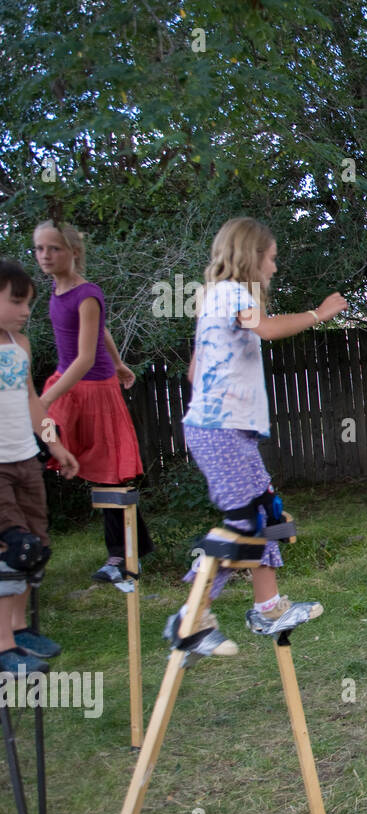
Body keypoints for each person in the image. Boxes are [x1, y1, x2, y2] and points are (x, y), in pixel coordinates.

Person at [179, 217, 348, 654]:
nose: (273, 268)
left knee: (267, 518)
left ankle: (268, 604)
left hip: (220, 430)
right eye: (271, 259)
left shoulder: (212, 300)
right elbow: (267, 330)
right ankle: (192, 616)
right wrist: (320, 313)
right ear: (250, 256)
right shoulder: (233, 294)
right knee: (248, 524)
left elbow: (194, 369)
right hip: (220, 431)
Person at [32, 221, 154, 583]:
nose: (45, 256)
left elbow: (85, 357)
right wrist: (118, 362)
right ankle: (20, 541)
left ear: (73, 252)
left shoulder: (87, 294)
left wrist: (45, 399)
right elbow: (100, 331)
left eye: (53, 248)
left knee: (109, 474)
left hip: (93, 390)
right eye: (39, 249)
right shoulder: (57, 290)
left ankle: (124, 556)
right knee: (36, 444)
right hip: (67, 384)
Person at [0, 259, 79, 673]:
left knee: (37, 548)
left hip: (25, 460)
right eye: (16, 301)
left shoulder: (20, 345)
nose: (25, 310)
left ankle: (18, 627)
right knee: (13, 549)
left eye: (28, 303)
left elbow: (33, 401)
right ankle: (3, 646)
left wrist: (55, 445)